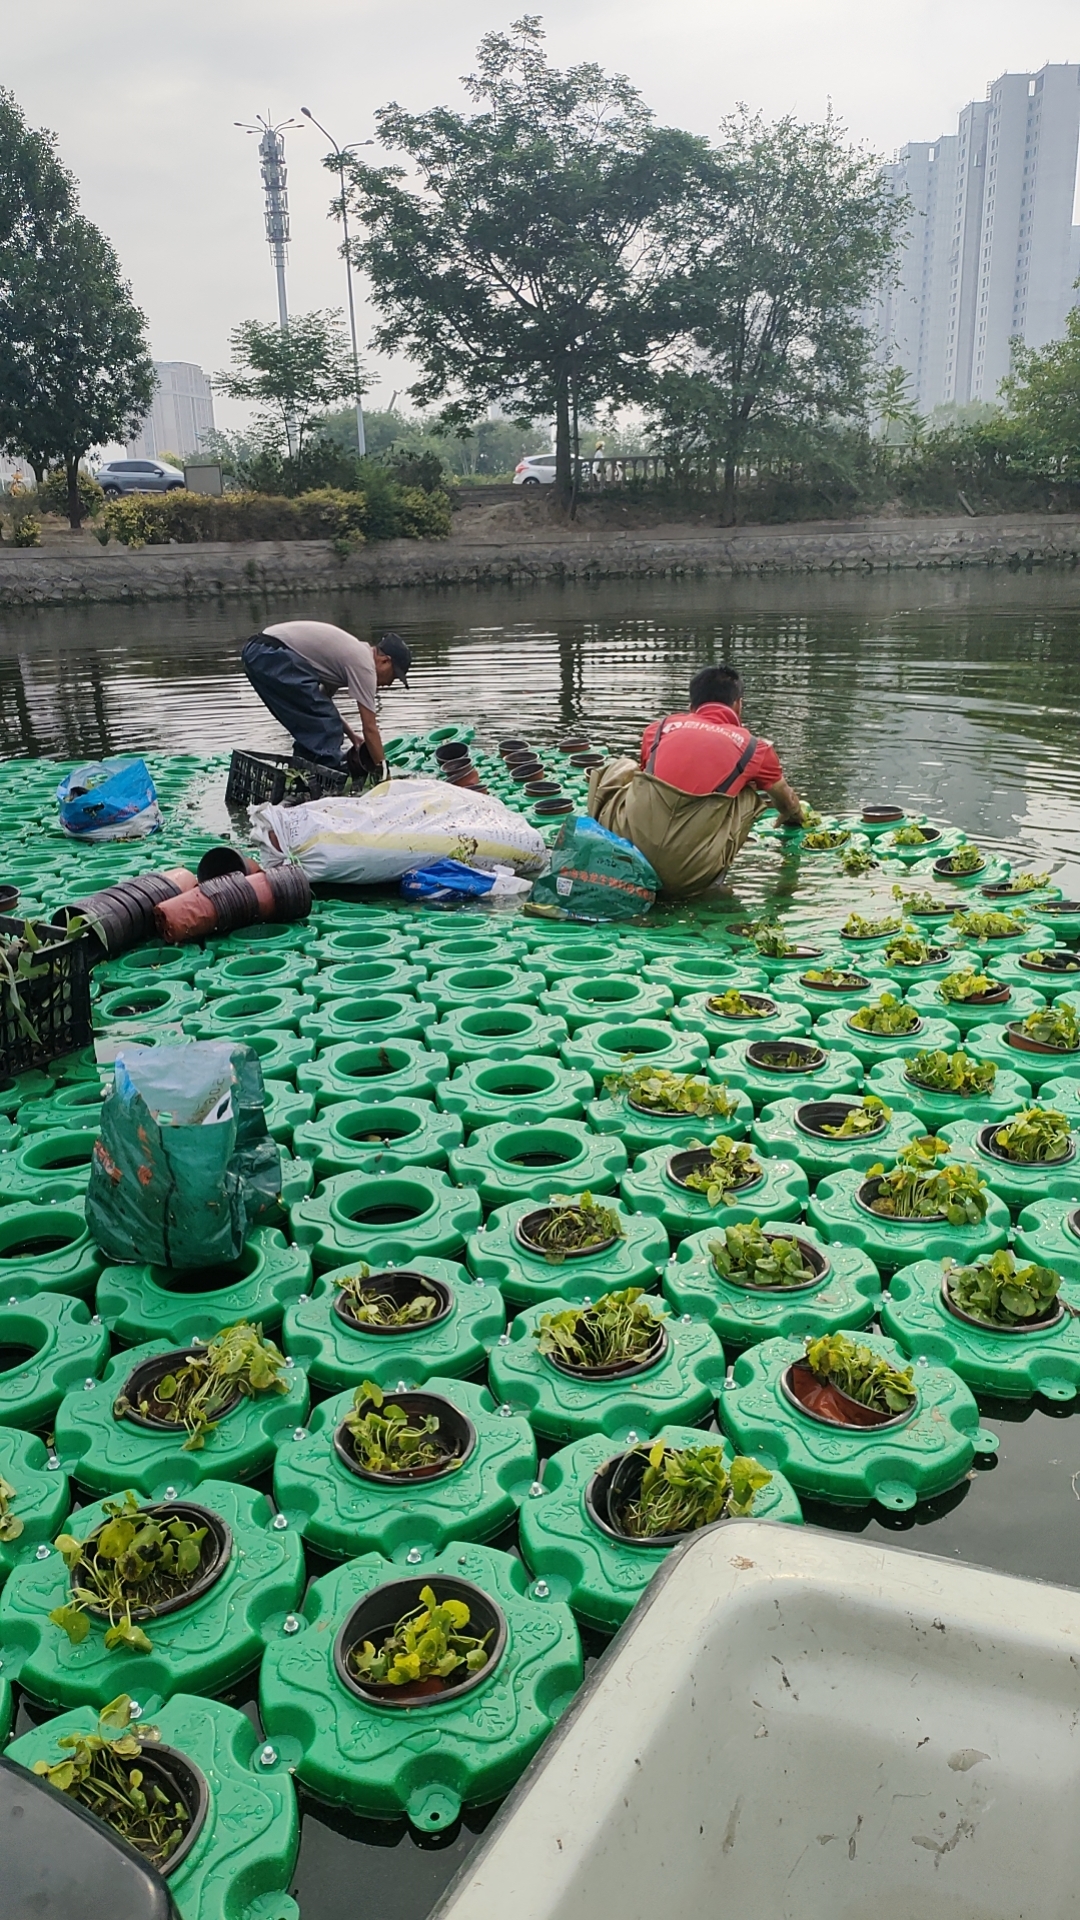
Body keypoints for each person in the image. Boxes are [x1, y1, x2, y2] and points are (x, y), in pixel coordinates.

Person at [587, 664, 804, 896]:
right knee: (747, 792)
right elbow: (787, 801)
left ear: (692, 706)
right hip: (691, 875)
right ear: (738, 705)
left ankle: (597, 847)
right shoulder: (755, 748)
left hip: (628, 859)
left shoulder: (657, 730)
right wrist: (796, 817)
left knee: (624, 767)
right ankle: (712, 880)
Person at [241, 620, 412, 780]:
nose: (389, 683)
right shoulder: (365, 665)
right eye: (394, 676)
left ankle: (304, 777)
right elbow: (370, 728)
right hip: (271, 653)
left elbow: (322, 703)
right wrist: (385, 775)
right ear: (384, 661)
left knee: (311, 724)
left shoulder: (349, 657)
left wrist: (352, 737)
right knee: (326, 728)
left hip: (259, 652)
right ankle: (328, 782)